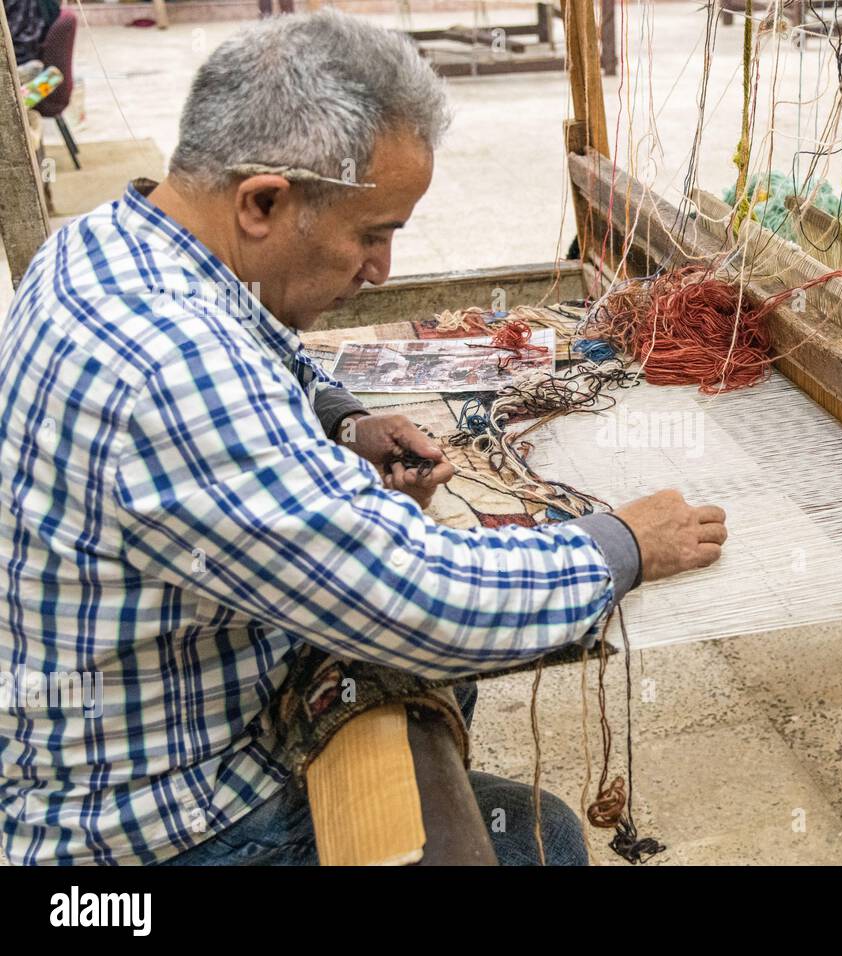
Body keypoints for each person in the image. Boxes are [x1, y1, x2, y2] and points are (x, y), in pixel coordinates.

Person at [0, 11, 727, 866]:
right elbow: (421, 600)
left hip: (112, 750)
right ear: (264, 201)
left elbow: (258, 350)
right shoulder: (170, 366)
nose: (380, 269)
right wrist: (621, 545)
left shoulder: (105, 246)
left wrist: (343, 419)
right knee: (542, 839)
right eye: (371, 234)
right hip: (156, 831)